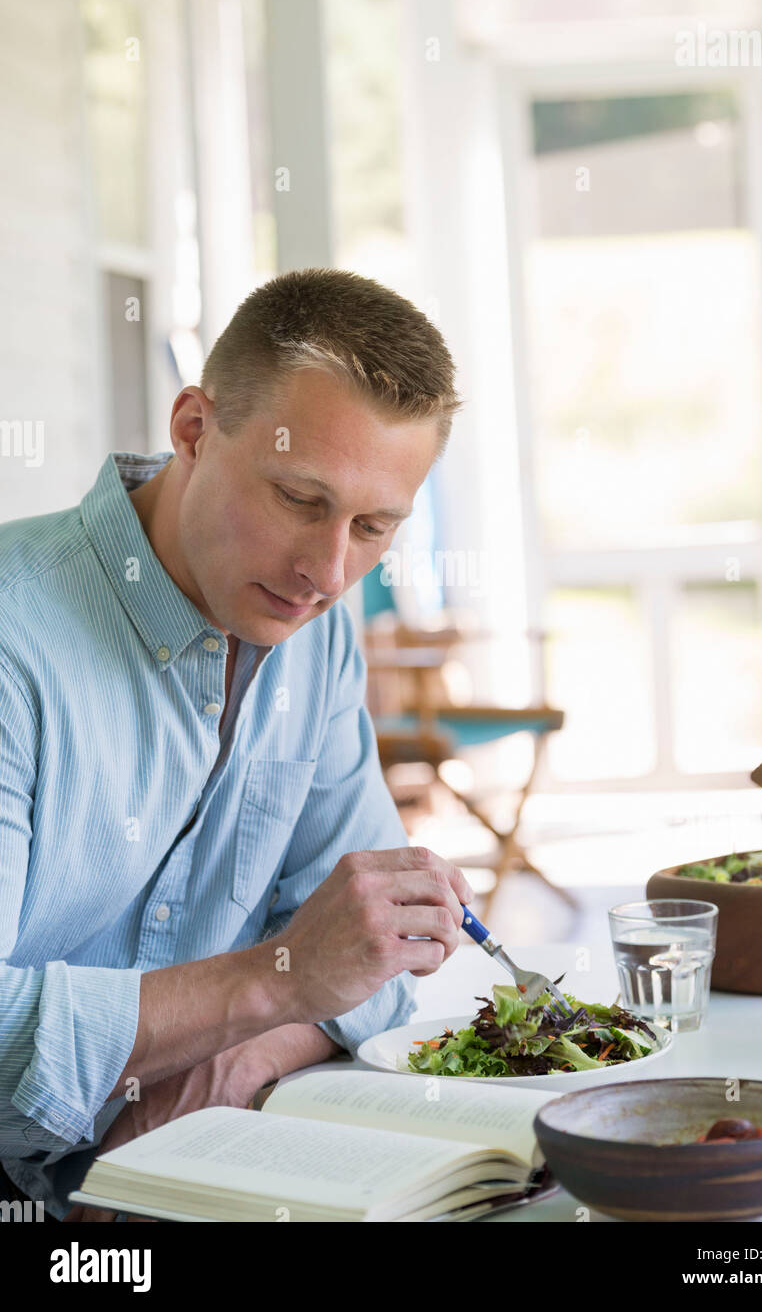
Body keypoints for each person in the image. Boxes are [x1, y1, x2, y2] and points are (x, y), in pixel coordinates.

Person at [0, 267, 473, 1222]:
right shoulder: (15, 640)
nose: (328, 572)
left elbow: (371, 957)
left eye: (374, 528)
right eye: (300, 499)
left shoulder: (315, 629)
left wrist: (229, 1062)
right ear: (190, 429)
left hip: (193, 1171)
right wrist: (272, 978)